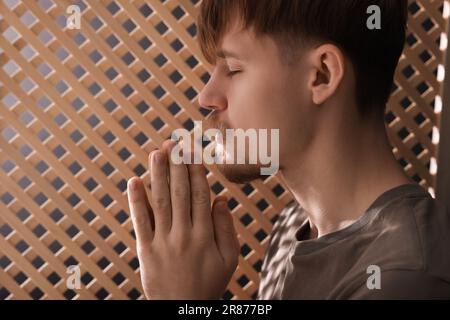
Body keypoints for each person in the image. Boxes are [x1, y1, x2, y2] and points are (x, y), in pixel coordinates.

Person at [126, 0, 450, 299]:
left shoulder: (406, 278)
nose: (207, 97)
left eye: (234, 69)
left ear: (321, 75)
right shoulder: (295, 226)